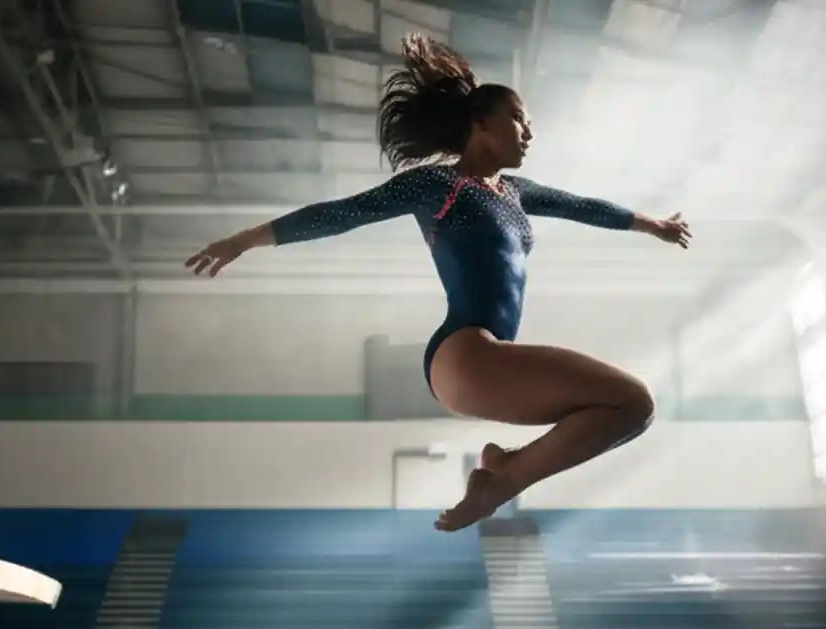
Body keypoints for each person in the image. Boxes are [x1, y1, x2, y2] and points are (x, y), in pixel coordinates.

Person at [186, 34, 691, 532]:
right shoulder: (436, 185)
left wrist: (652, 224)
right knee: (633, 400)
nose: (530, 135)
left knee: (624, 410)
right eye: (520, 120)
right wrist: (245, 240)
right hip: (466, 351)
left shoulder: (515, 191)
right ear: (482, 122)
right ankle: (503, 479)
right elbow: (341, 214)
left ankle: (506, 469)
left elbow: (582, 206)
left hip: (476, 365)